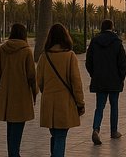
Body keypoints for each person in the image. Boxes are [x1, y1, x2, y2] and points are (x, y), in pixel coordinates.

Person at [37, 23, 85, 157]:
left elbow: (39, 81)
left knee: (55, 135)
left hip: (48, 103)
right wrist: (80, 102)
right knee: (60, 136)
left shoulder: (44, 57)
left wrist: (47, 92)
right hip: (64, 103)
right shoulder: (69, 56)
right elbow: (76, 82)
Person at [0, 23, 38, 157]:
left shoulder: (2, 49)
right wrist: (34, 93)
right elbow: (31, 76)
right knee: (17, 131)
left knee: (10, 129)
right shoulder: (26, 51)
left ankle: (12, 153)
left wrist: (3, 87)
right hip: (22, 97)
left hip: (7, 97)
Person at [86, 19, 126, 145]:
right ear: (112, 27)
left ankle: (96, 129)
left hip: (100, 80)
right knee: (114, 106)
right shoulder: (117, 42)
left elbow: (89, 62)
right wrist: (121, 78)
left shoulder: (94, 42)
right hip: (114, 80)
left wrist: (94, 75)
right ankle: (114, 131)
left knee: (99, 107)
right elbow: (123, 63)